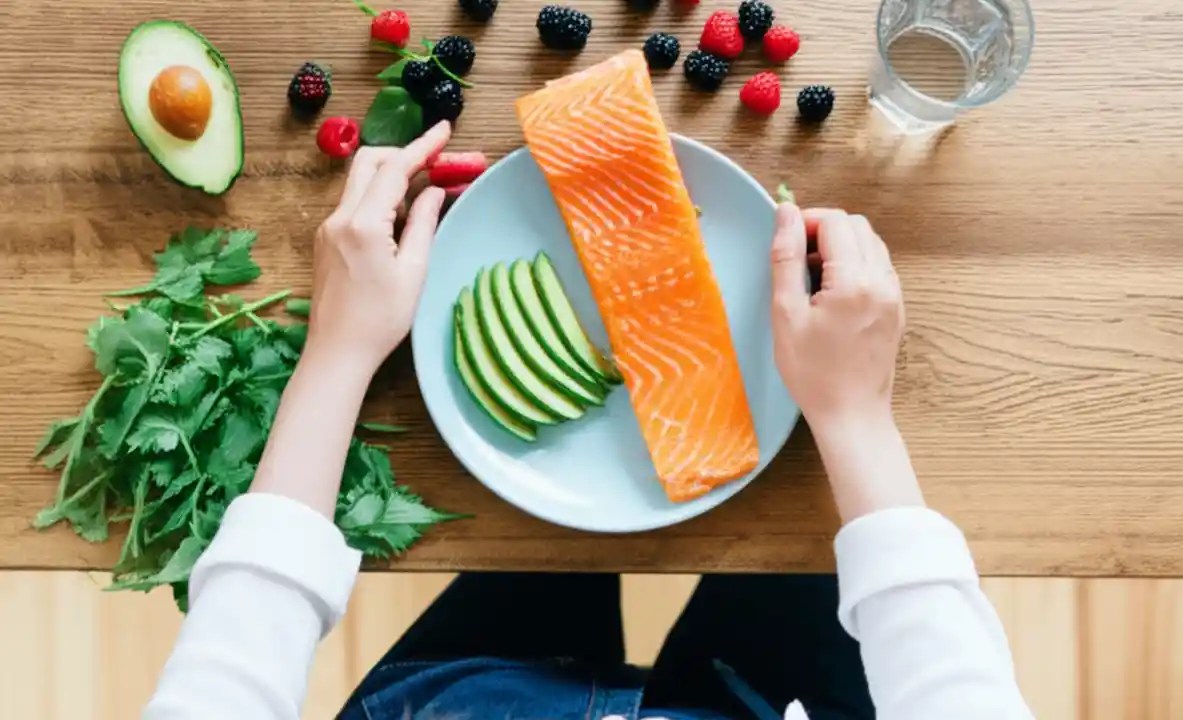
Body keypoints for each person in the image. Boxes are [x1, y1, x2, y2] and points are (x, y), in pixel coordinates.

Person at [143, 123, 1034, 720]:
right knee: (788, 525)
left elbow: (228, 685)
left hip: (474, 703)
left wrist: (337, 356)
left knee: (556, 549)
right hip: (765, 699)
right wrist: (856, 421)